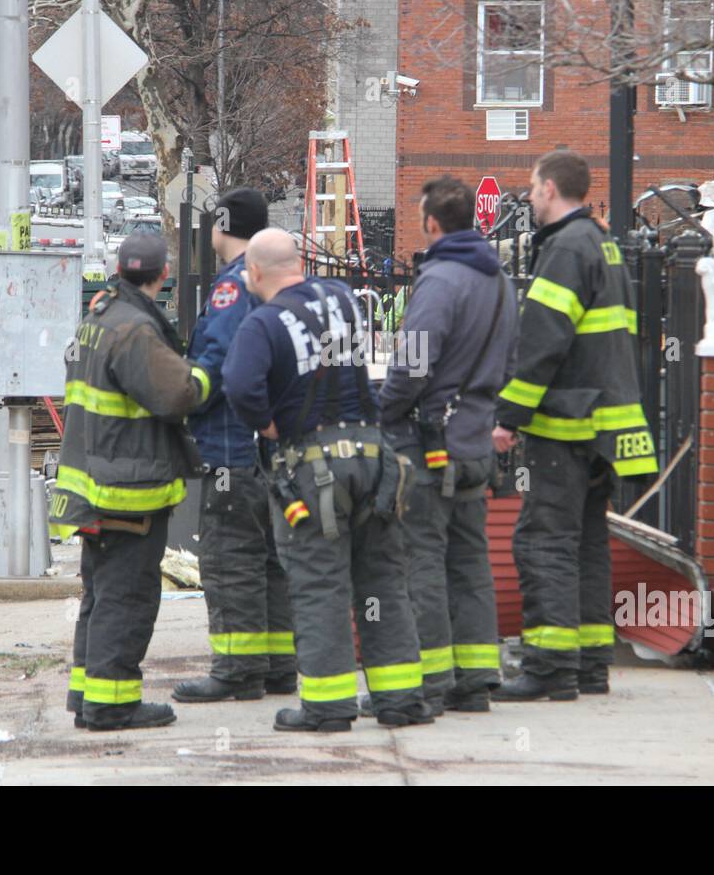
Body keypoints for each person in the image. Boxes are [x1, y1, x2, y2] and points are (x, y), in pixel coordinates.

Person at [222, 228, 432, 732]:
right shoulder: (344, 300)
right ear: (299, 263)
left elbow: (238, 384)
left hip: (313, 470)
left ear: (253, 273)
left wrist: (269, 425)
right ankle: (400, 699)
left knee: (321, 586)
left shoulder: (264, 322)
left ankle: (328, 705)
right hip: (373, 459)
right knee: (381, 581)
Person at [491, 150, 659, 701]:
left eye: (532, 186)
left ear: (549, 189)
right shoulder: (603, 244)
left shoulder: (565, 248)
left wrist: (508, 417)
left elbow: (542, 343)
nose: (530, 196)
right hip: (606, 426)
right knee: (587, 541)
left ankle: (549, 666)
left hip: (566, 424)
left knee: (544, 541)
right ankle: (589, 663)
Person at [50, 227, 207, 732]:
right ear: (162, 275)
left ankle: (87, 695)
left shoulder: (96, 317)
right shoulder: (135, 330)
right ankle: (113, 704)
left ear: (120, 270)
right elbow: (178, 393)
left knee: (100, 593)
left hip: (95, 485)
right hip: (127, 492)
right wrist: (208, 373)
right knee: (128, 596)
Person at [380, 176, 518, 714]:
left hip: (429, 444)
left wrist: (386, 410)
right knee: (469, 558)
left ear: (432, 223)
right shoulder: (499, 281)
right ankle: (476, 676)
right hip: (476, 442)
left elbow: (411, 367)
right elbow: (509, 362)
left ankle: (428, 683)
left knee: (423, 560)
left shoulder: (438, 282)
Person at [174, 188, 296, 703]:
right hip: (270, 451)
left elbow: (217, 364)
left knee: (230, 559)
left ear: (219, 226)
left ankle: (238, 669)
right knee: (269, 557)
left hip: (229, 445)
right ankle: (277, 664)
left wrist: (178, 397)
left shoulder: (233, 286)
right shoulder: (279, 283)